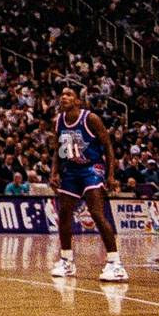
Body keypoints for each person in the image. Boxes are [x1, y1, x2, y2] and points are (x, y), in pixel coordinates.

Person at [50, 87, 126, 281]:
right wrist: (54, 172)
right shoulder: (58, 121)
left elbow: (108, 146)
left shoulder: (90, 119)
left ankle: (115, 264)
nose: (64, 97)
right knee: (64, 213)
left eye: (69, 95)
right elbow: (57, 149)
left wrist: (110, 175)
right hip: (71, 170)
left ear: (77, 101)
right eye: (63, 94)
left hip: (92, 168)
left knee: (96, 213)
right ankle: (67, 261)